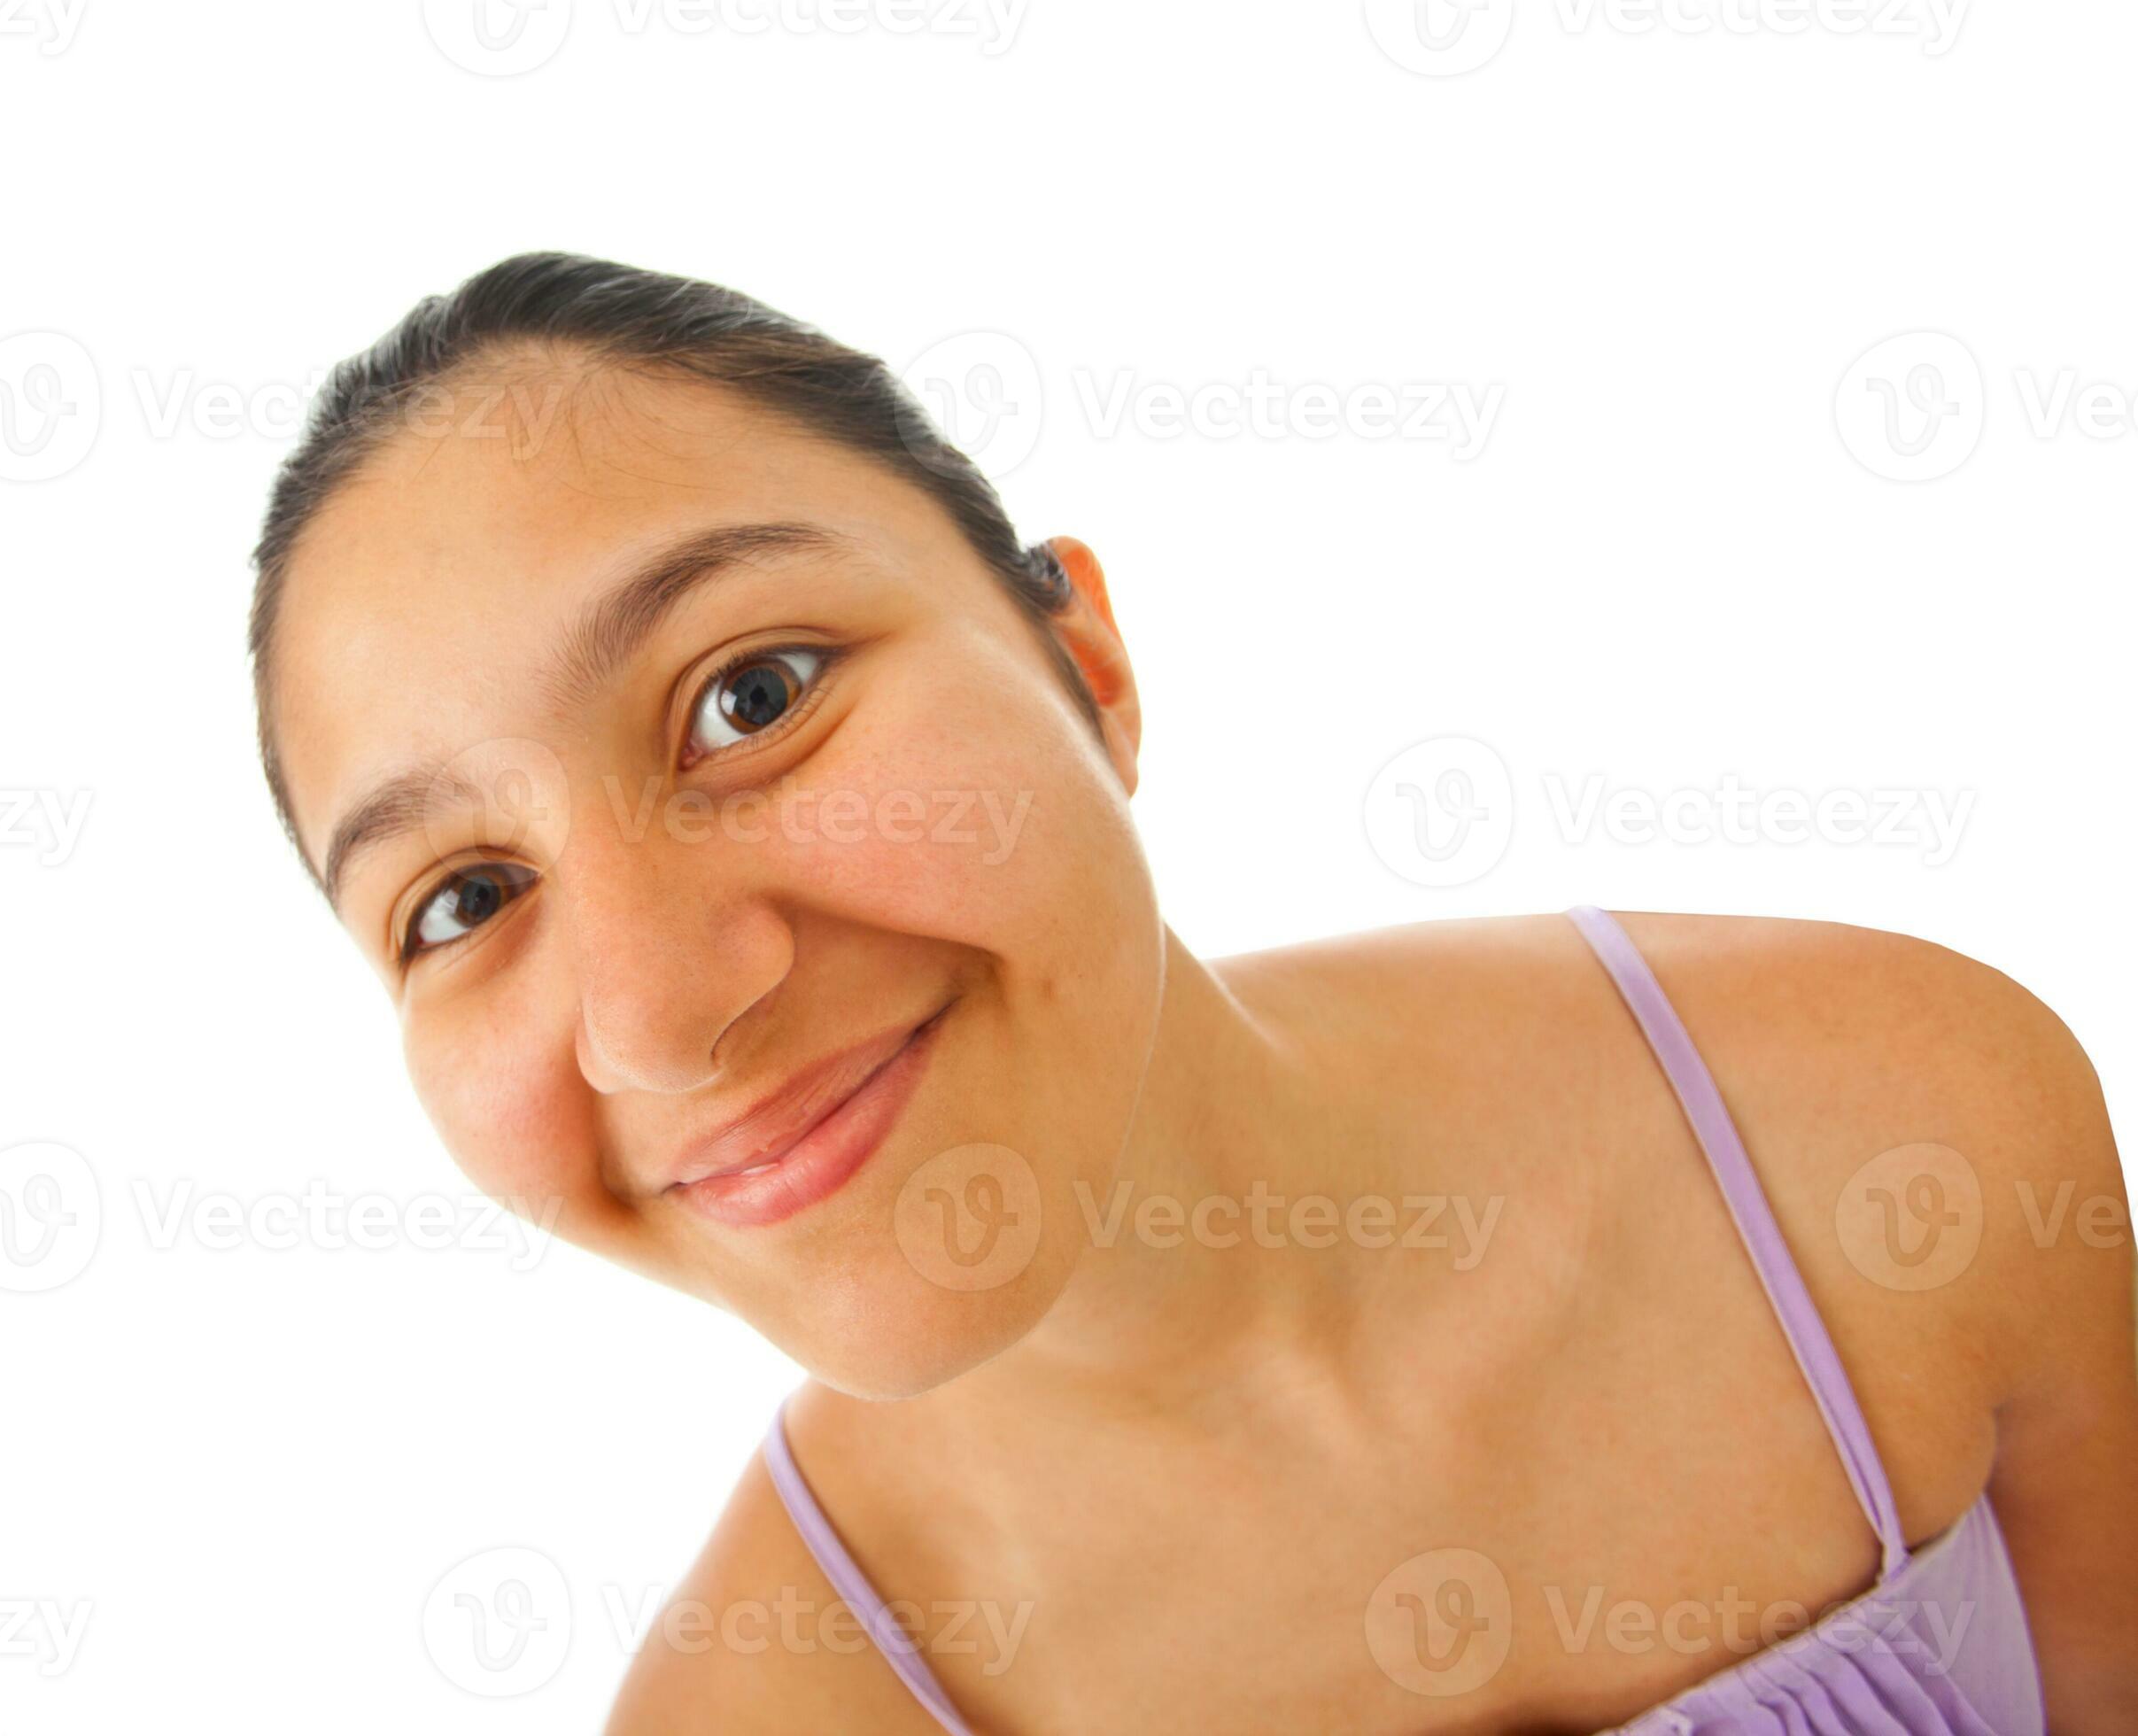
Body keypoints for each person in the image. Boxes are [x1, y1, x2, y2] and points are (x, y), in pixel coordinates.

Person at [248, 252, 2135, 1732]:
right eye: (464, 898)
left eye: (753, 694)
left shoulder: (1889, 1131)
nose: (662, 1012)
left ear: (1088, 659)